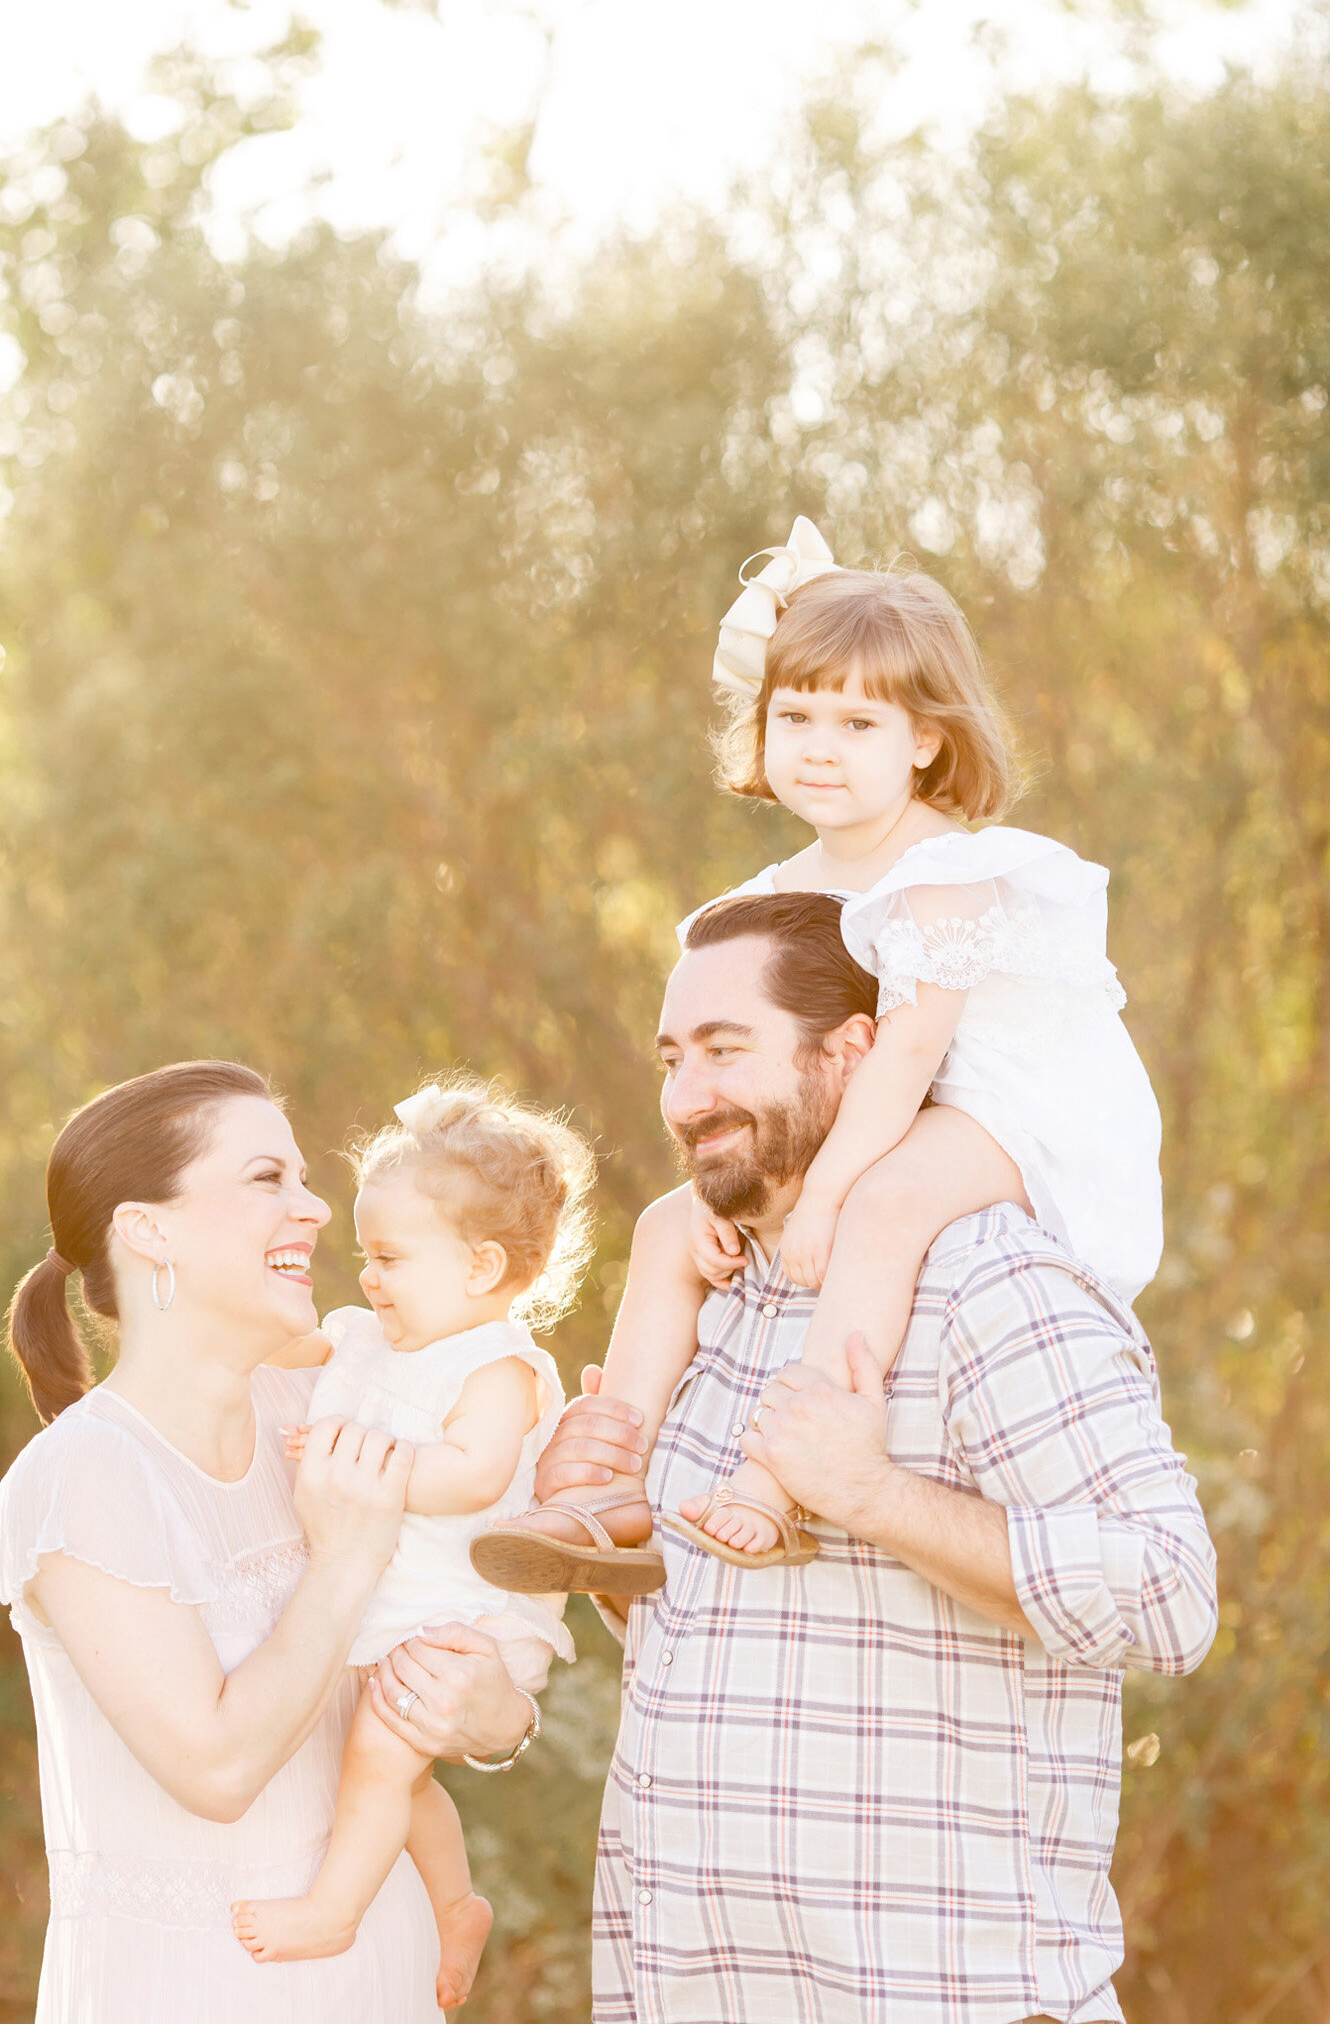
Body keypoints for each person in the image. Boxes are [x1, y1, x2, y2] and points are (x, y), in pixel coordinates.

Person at [535, 893, 1217, 2023]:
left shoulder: (991, 1281)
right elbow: (704, 1635)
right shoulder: (713, 1300)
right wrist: (606, 1520)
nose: (685, 1096)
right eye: (671, 1058)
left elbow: (1171, 1593)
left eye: (723, 1050)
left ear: (851, 1051)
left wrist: (875, 1496)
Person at [477, 516, 1162, 1582]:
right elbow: (763, 1067)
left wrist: (831, 1192)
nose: (820, 747)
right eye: (795, 716)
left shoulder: (949, 870)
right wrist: (720, 1196)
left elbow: (906, 1053)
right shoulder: (774, 892)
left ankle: (775, 1479)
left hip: (1012, 1106)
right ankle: (613, 1479)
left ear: (926, 739)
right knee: (669, 1223)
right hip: (897, 1107)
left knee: (883, 1211)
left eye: (857, 722)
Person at [0, 1060, 537, 2024]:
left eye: (306, 1180)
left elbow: (458, 1608)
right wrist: (347, 1556)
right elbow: (218, 1771)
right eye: (269, 1179)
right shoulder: (80, 1480)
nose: (314, 1210)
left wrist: (497, 1719)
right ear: (147, 1230)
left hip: (379, 1968)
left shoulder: (330, 1407)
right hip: (202, 1990)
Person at [231, 1079, 591, 1997]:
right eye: (366, 1255)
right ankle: (455, 1904)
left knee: (379, 1758)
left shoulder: (496, 1364)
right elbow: (278, 1347)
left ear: (479, 1268)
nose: (369, 1277)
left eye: (391, 1257)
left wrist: (359, 1458)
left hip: (465, 1607)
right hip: (400, 1602)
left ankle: (333, 1913)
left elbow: (472, 1474)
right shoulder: (365, 1339)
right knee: (397, 1771)